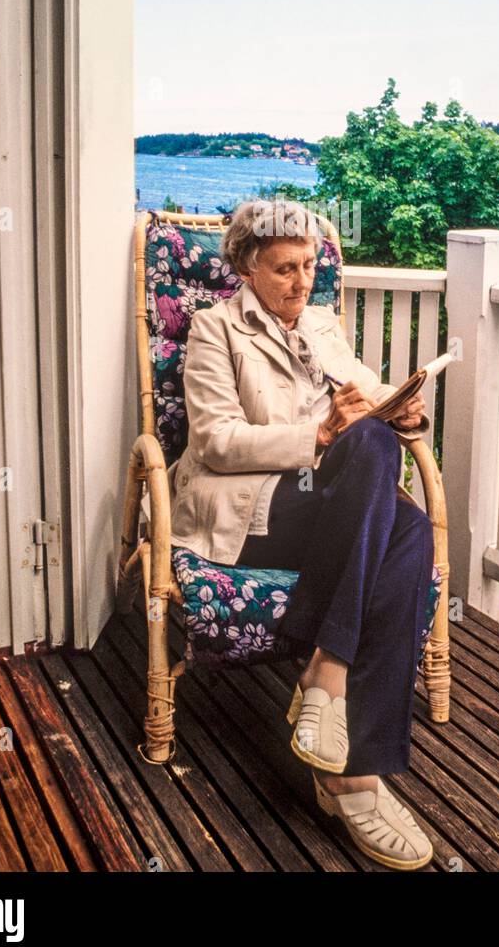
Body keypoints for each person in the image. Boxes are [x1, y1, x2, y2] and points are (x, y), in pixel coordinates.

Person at [167, 198, 436, 870]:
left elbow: (370, 395)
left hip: (331, 509)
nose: (301, 280)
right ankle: (349, 754)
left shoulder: (321, 325)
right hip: (251, 506)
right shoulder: (214, 329)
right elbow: (216, 442)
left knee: (385, 474)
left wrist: (400, 409)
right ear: (247, 268)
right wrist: (320, 433)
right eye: (284, 268)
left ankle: (332, 699)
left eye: (309, 264)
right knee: (404, 527)